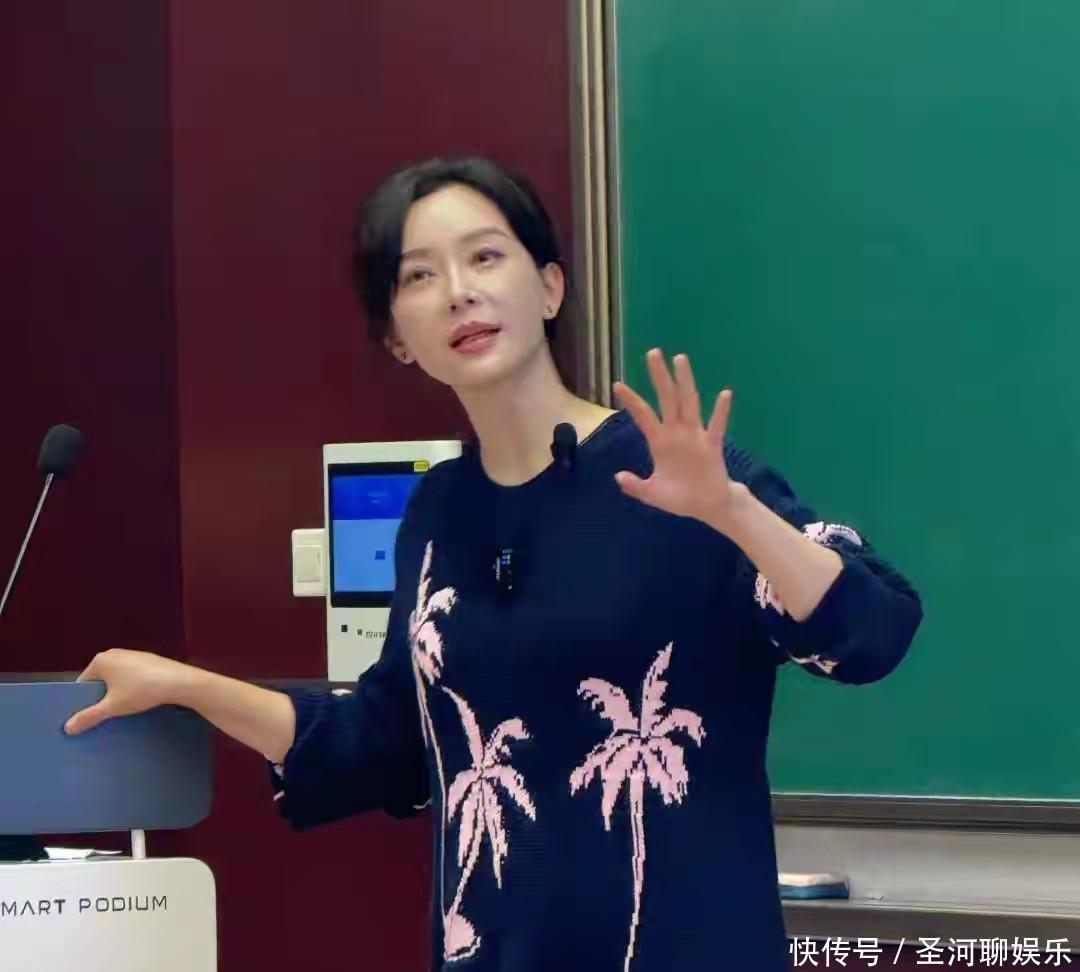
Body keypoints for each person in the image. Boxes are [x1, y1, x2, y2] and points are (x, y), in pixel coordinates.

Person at [66, 156, 922, 971]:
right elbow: (389, 741)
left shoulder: (677, 472)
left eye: (484, 257)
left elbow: (873, 632)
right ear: (397, 337)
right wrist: (189, 687)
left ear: (549, 287)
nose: (459, 291)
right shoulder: (438, 511)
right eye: (419, 275)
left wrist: (734, 512)